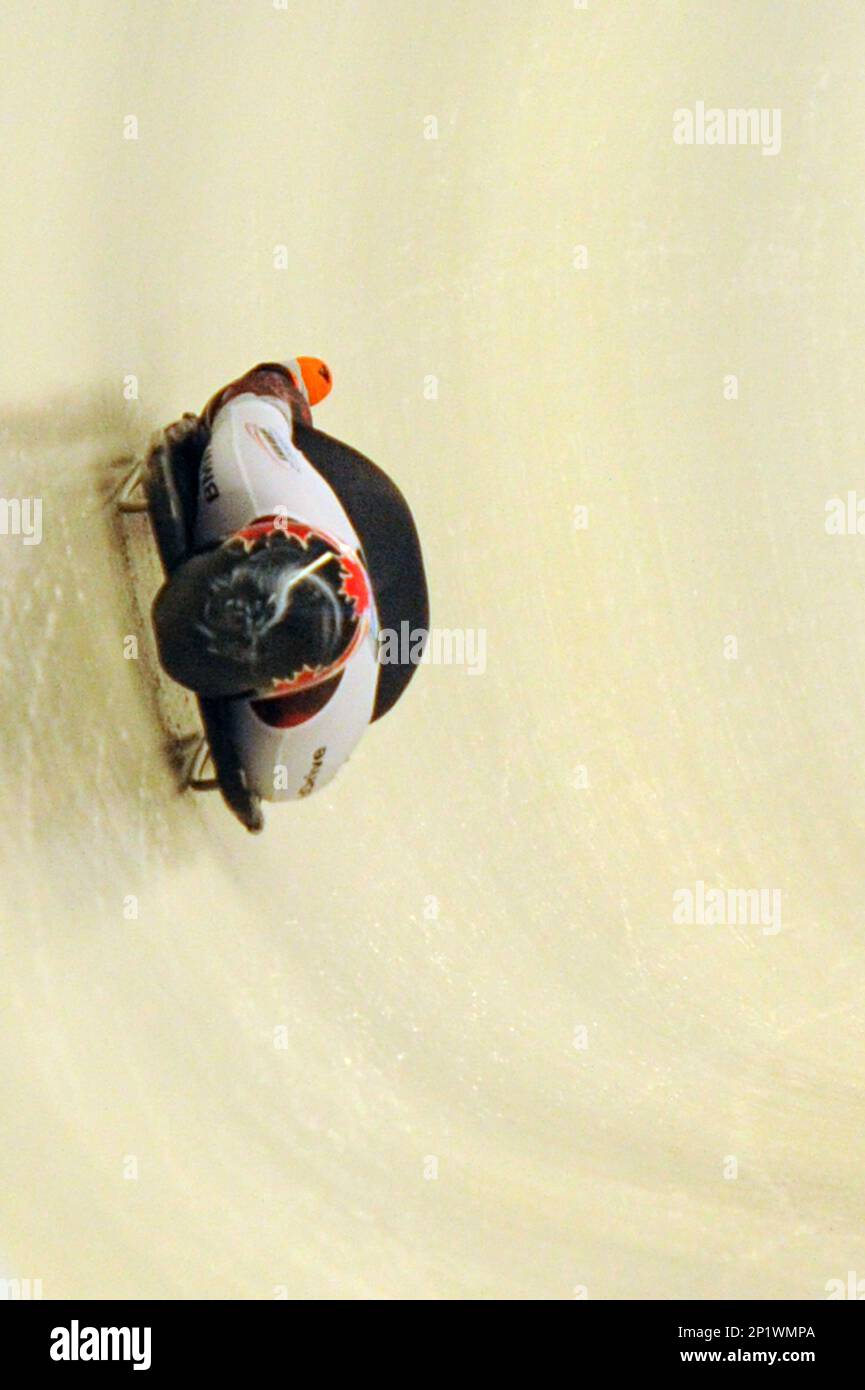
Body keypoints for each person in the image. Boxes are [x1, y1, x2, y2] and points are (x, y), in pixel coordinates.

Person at [151, 358, 429, 723]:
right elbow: (267, 391)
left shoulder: (336, 713)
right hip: (348, 498)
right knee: (253, 405)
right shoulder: (246, 470)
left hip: (395, 623)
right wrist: (289, 378)